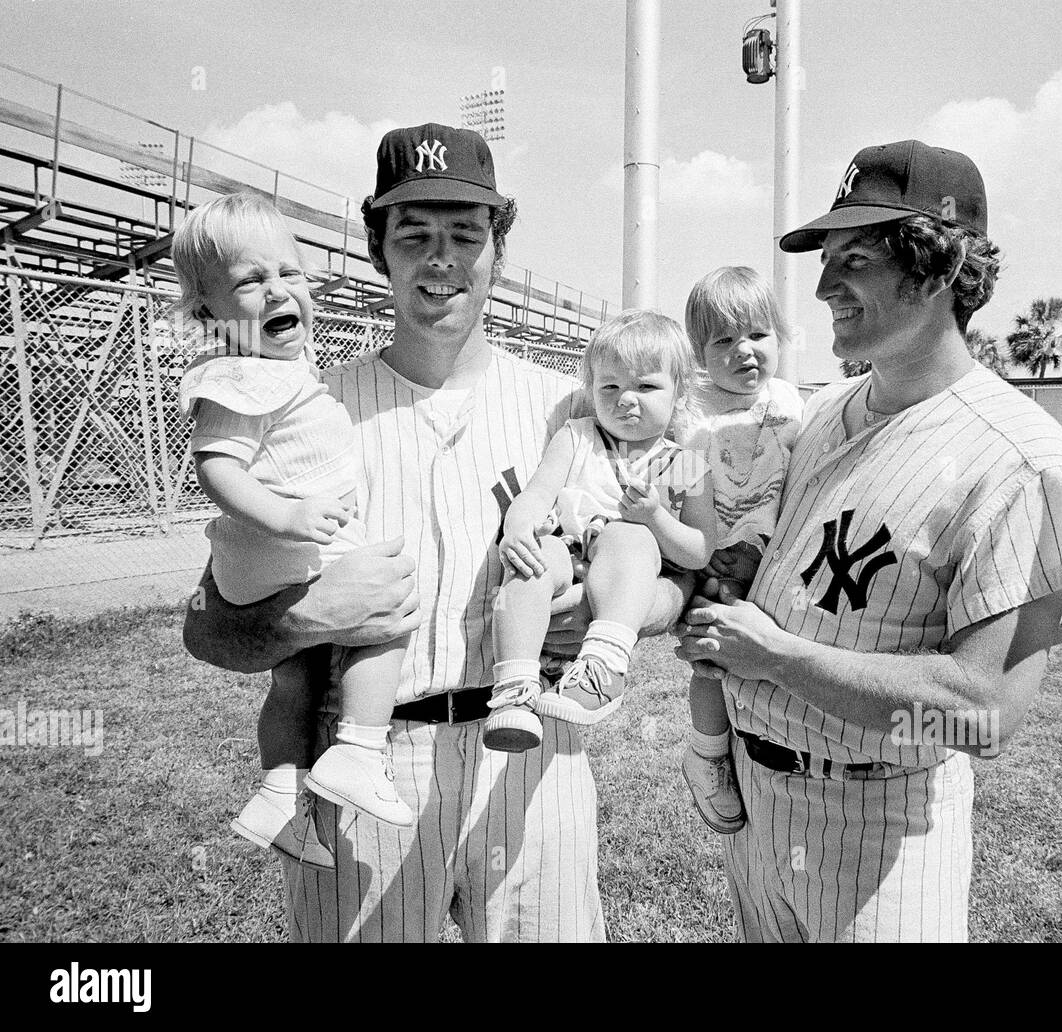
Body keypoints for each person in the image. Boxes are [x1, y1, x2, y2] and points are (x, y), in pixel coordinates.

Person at [183, 122, 689, 942]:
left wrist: (611, 618)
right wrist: (305, 620)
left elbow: (678, 580)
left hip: (532, 757)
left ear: (499, 248)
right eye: (413, 235)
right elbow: (207, 629)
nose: (443, 258)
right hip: (365, 759)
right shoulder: (305, 406)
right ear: (377, 250)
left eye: (467, 233)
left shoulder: (569, 406)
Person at [675, 140, 1062, 942]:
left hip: (880, 826)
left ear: (939, 266)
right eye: (826, 259)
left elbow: (983, 715)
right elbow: (725, 561)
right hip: (755, 806)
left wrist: (775, 657)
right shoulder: (810, 418)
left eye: (855, 258)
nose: (821, 287)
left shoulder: (1024, 464)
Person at [172, 193, 411, 873]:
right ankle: (362, 749)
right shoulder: (239, 379)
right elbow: (216, 466)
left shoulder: (279, 370)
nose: (278, 289)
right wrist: (287, 517)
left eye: (292, 272)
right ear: (208, 313)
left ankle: (279, 793)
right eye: (250, 280)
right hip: (286, 546)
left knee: (295, 679)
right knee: (387, 613)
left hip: (270, 559)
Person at [485, 310, 714, 751]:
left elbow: (699, 550)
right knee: (534, 559)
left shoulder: (687, 463)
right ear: (591, 388)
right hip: (567, 553)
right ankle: (514, 688)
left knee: (628, 535)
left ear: (679, 392)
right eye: (610, 386)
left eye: (646, 386)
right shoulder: (576, 436)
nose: (626, 398)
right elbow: (537, 493)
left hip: (623, 572)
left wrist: (656, 518)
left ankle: (603, 664)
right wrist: (517, 527)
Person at [677, 267, 803, 834]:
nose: (744, 351)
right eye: (724, 340)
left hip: (773, 559)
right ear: (701, 353)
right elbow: (677, 482)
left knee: (769, 660)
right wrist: (698, 555)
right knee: (710, 659)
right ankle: (706, 753)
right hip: (711, 557)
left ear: (779, 334)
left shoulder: (790, 404)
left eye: (757, 334)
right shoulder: (689, 411)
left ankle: (766, 749)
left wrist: (766, 550)